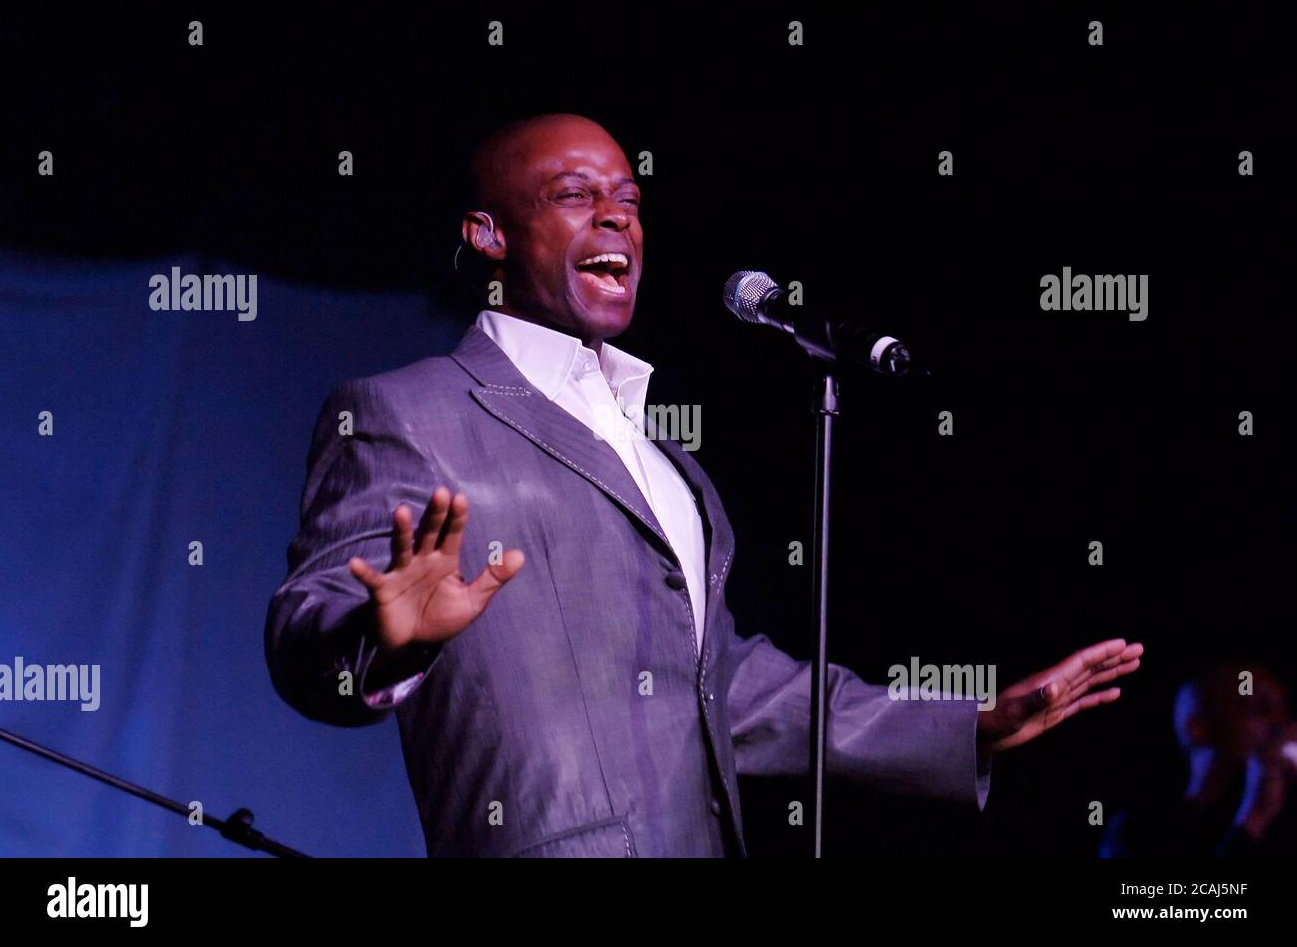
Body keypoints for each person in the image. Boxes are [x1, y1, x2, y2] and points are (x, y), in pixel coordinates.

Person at [265, 113, 1143, 857]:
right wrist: (388, 647)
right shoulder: (403, 411)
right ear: (489, 235)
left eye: (629, 201)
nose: (616, 218)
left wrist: (965, 723)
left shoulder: (668, 465)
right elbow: (305, 640)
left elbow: (733, 688)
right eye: (575, 196)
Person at [1102, 661, 1295, 857]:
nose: (1282, 725)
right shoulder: (1139, 828)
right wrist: (1255, 817)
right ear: (1198, 728)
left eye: (1284, 711)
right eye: (1261, 709)